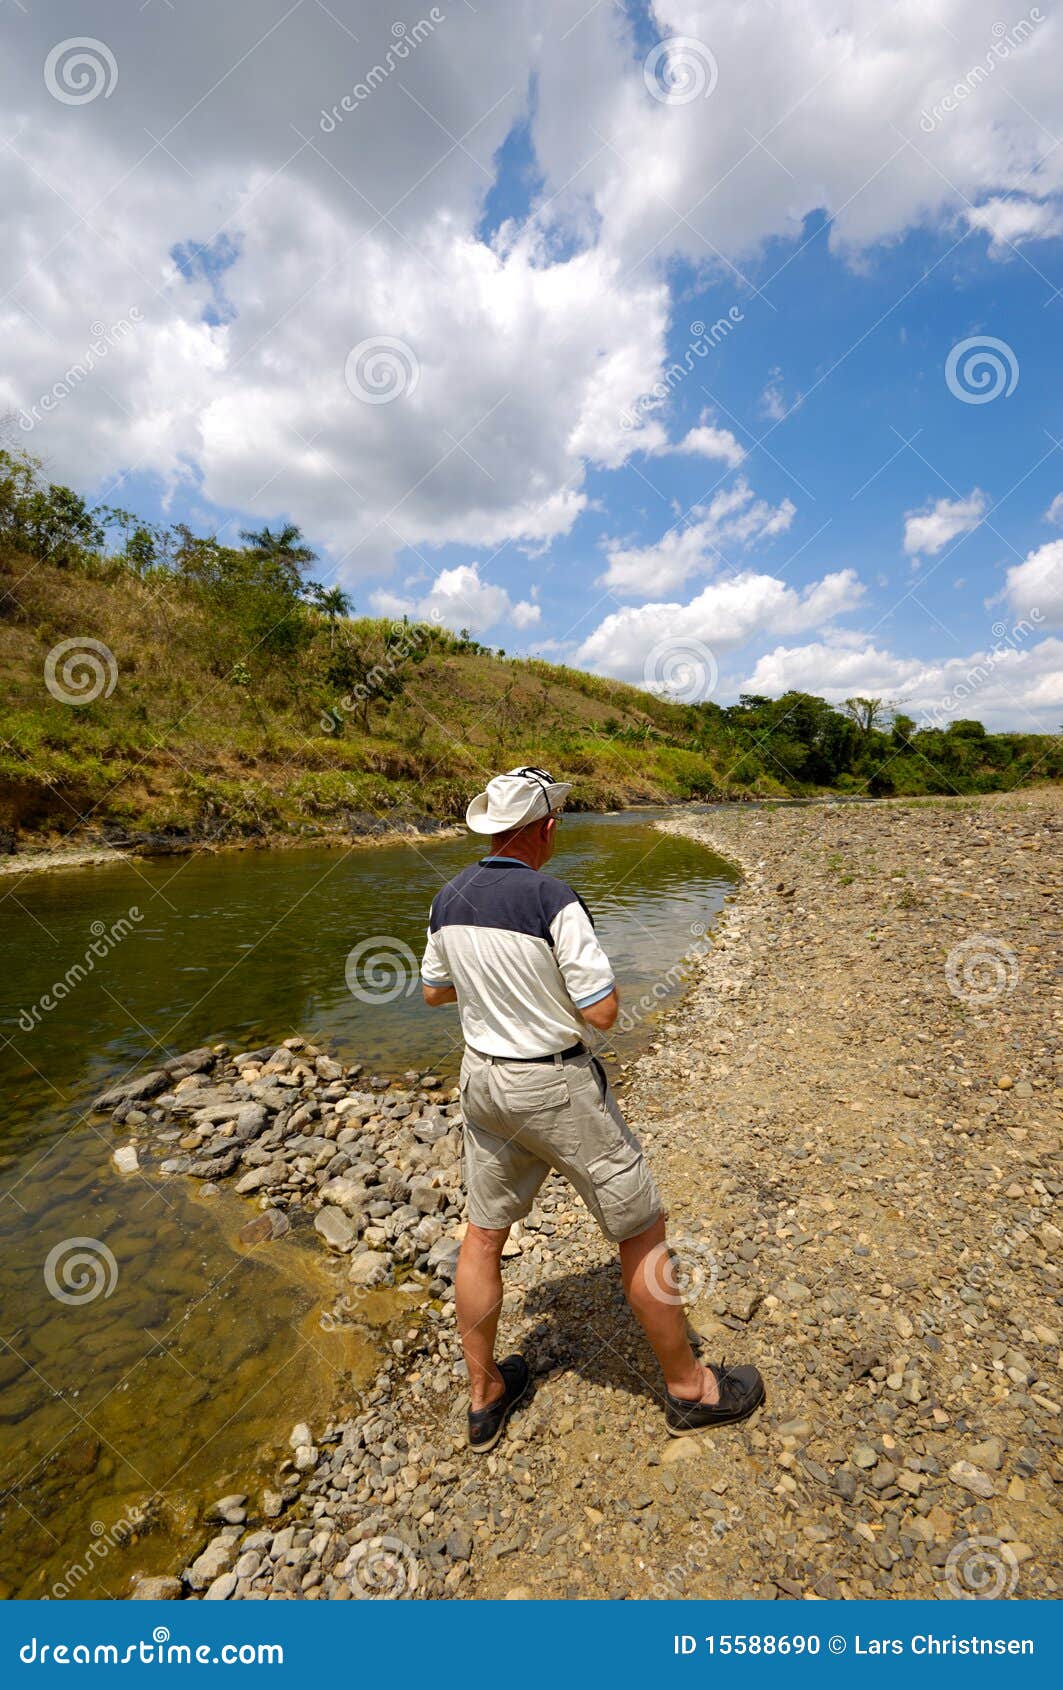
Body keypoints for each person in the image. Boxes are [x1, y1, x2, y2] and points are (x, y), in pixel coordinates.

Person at [420, 766, 764, 1452]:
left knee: (483, 1233)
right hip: (554, 1087)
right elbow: (602, 1012)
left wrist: (501, 992)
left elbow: (433, 994)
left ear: (492, 829)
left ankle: (484, 1396)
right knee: (640, 1226)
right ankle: (690, 1390)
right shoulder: (552, 896)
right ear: (545, 828)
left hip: (482, 1082)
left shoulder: (447, 895)